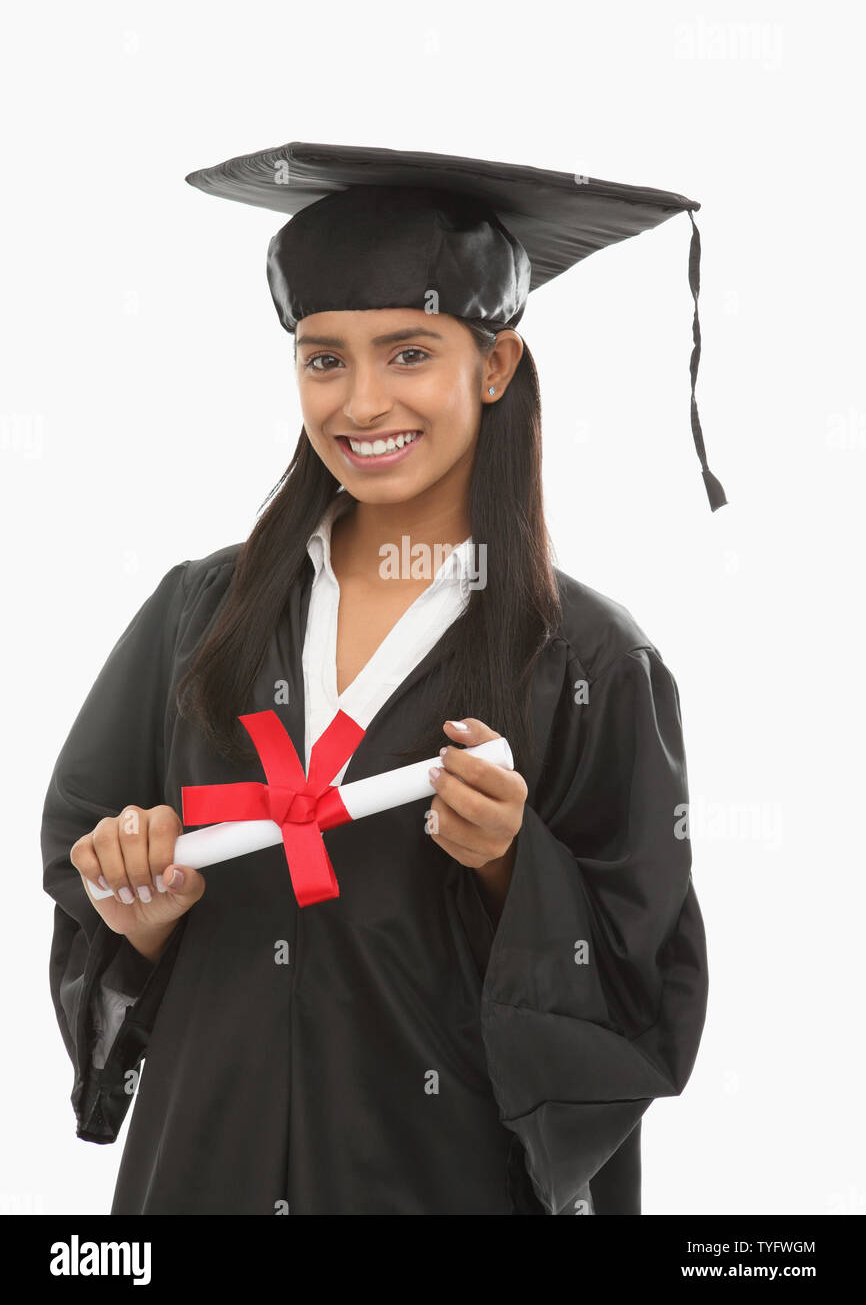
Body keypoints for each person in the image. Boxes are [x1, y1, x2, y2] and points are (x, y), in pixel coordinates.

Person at [41, 142, 716, 1215]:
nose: (360, 403)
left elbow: (638, 986)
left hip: (435, 1178)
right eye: (324, 359)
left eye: (407, 354)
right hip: (204, 1166)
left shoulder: (587, 660)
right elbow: (85, 882)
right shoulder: (195, 616)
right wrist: (135, 901)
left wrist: (508, 864)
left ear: (492, 367)